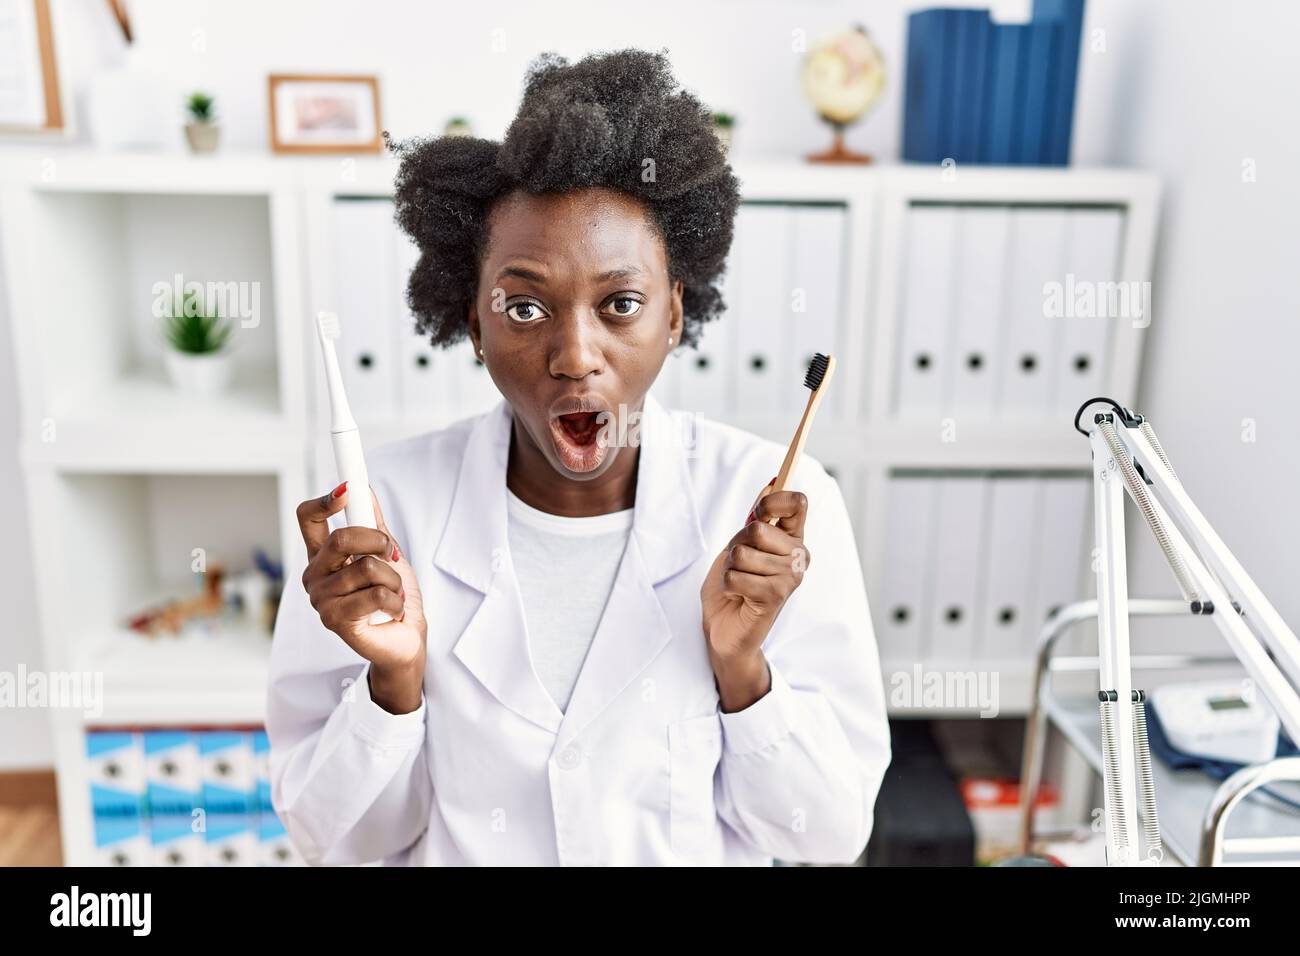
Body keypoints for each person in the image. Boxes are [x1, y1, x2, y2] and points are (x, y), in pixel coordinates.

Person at [267, 48, 890, 866]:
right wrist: (393, 687)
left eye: (620, 304)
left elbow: (830, 837)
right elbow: (334, 842)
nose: (574, 354)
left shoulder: (776, 504)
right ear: (473, 322)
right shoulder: (380, 518)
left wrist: (743, 671)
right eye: (524, 306)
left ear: (674, 313)